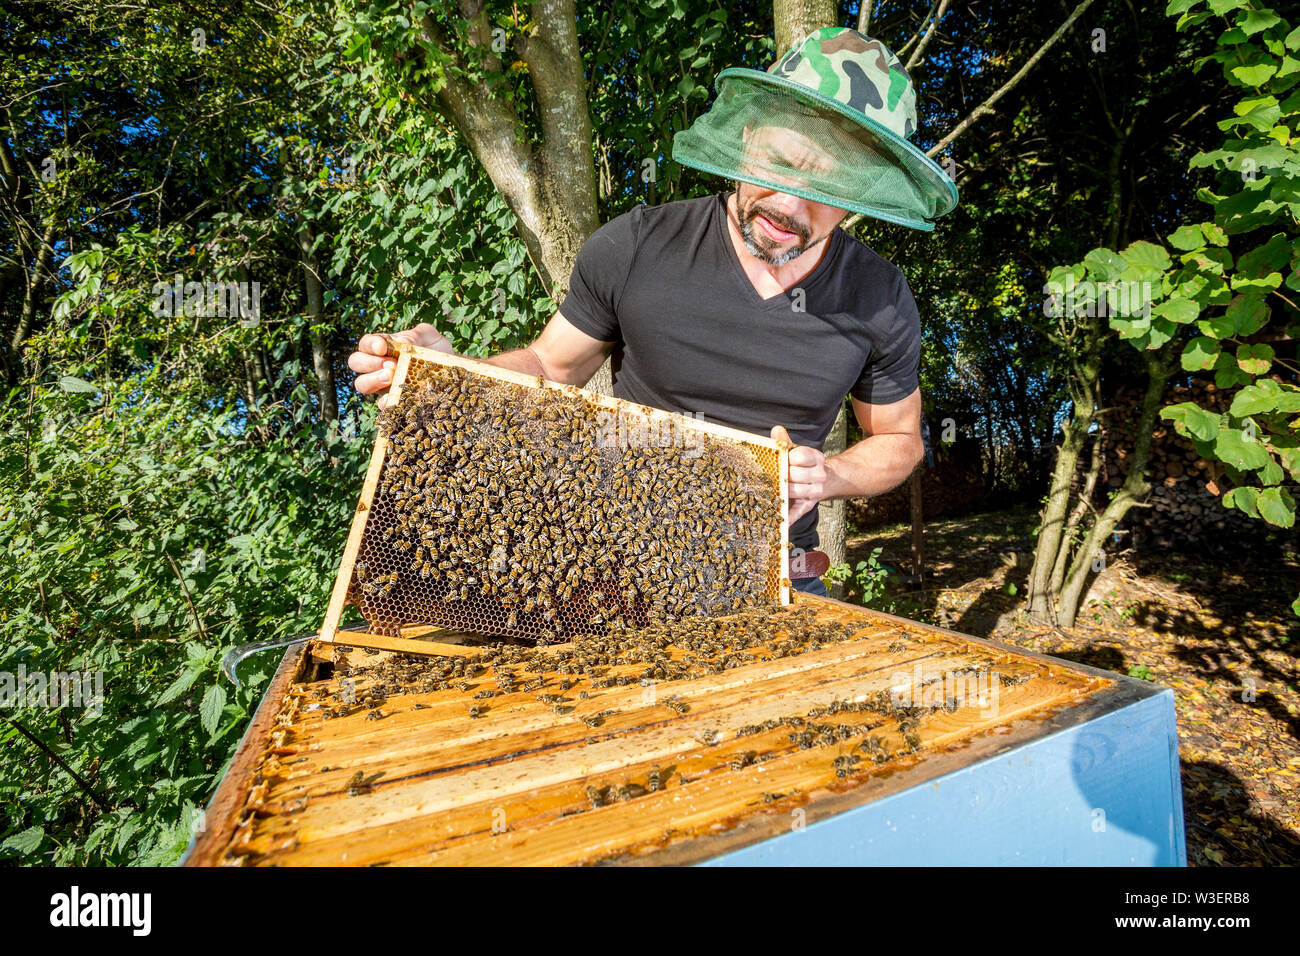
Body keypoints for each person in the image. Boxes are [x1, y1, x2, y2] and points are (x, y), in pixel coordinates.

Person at [347, 27, 958, 598]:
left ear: (862, 199)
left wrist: (828, 476)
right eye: (781, 163)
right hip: (615, 560)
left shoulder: (880, 297)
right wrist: (452, 376)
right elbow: (551, 366)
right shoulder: (638, 244)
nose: (790, 204)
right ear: (746, 138)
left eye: (829, 190)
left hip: (775, 574)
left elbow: (899, 440)